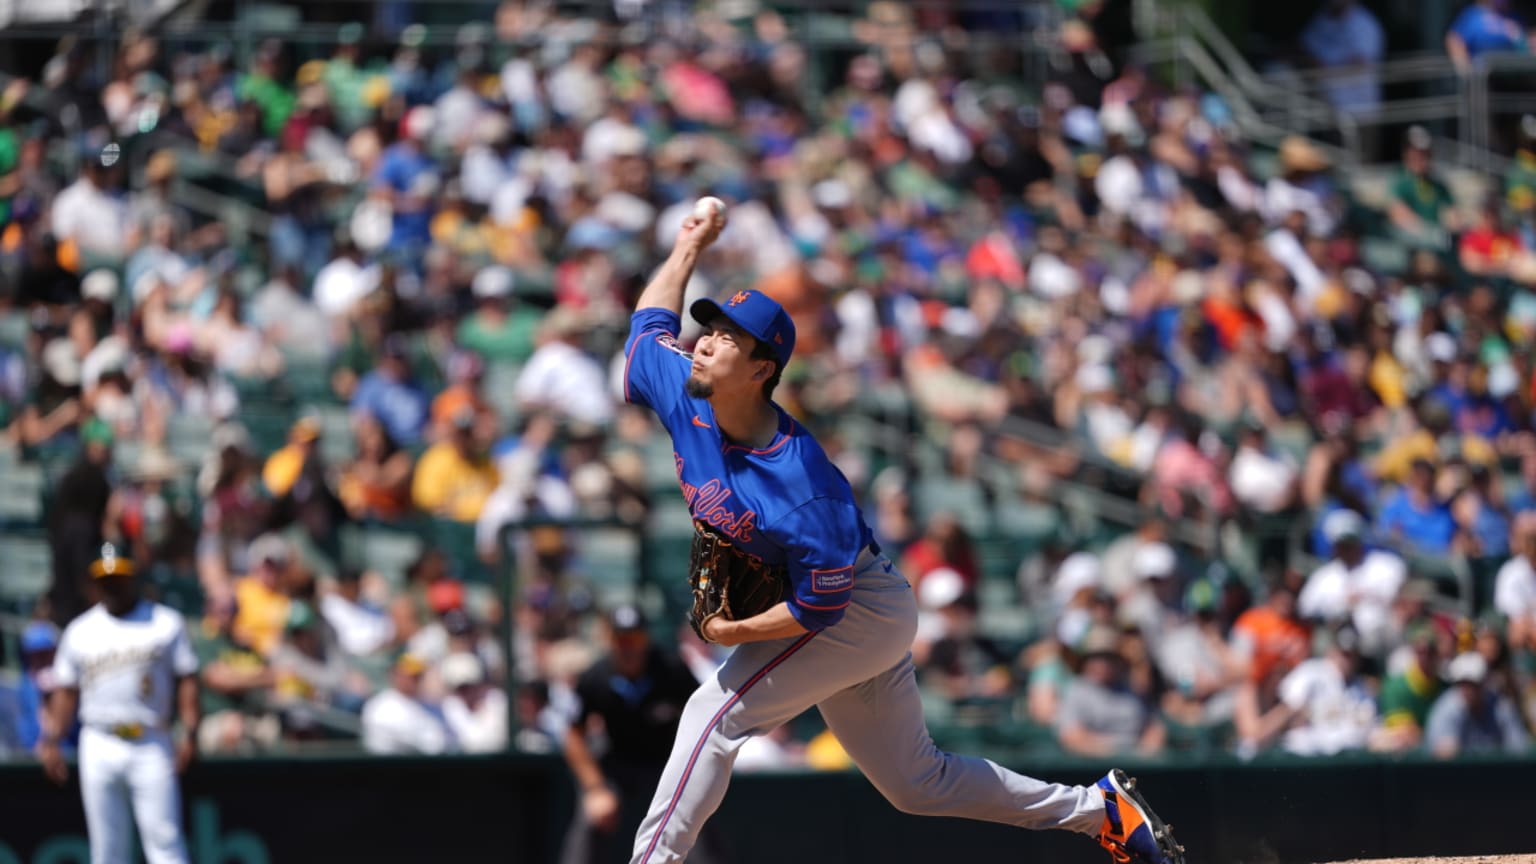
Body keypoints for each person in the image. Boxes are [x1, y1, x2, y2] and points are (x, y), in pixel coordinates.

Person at [617, 212, 1184, 864]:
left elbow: (820, 607)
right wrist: (688, 245)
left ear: (760, 369)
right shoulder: (683, 383)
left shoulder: (802, 483)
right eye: (710, 329)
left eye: (728, 338)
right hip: (846, 609)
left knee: (713, 715)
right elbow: (648, 325)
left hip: (854, 608)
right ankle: (1099, 811)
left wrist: (734, 631)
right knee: (918, 783)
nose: (706, 343)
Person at [40, 545, 201, 864]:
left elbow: (187, 677)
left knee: (165, 842)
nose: (112, 587)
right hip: (100, 739)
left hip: (150, 738)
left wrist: (190, 729)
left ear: (133, 578)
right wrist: (53, 739)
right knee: (107, 850)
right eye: (105, 580)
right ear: (93, 584)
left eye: (119, 579)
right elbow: (66, 690)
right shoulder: (81, 630)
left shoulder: (164, 622)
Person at [561, 606, 718, 864]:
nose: (628, 648)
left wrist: (693, 770)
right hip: (618, 764)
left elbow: (704, 714)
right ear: (610, 640)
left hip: (666, 764)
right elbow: (573, 735)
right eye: (621, 639)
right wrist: (595, 788)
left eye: (635, 639)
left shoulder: (671, 668)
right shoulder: (595, 677)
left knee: (695, 818)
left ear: (646, 639)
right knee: (591, 820)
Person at [1424, 652, 1530, 757]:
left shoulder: (1500, 706)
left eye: (1473, 684)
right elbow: (1444, 754)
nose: (1468, 689)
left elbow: (1519, 748)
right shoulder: (1446, 709)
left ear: (1484, 683)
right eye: (1463, 683)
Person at [359, 653, 455, 755]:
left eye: (419, 676)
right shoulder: (380, 705)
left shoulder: (428, 703)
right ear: (395, 675)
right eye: (412, 676)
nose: (416, 680)